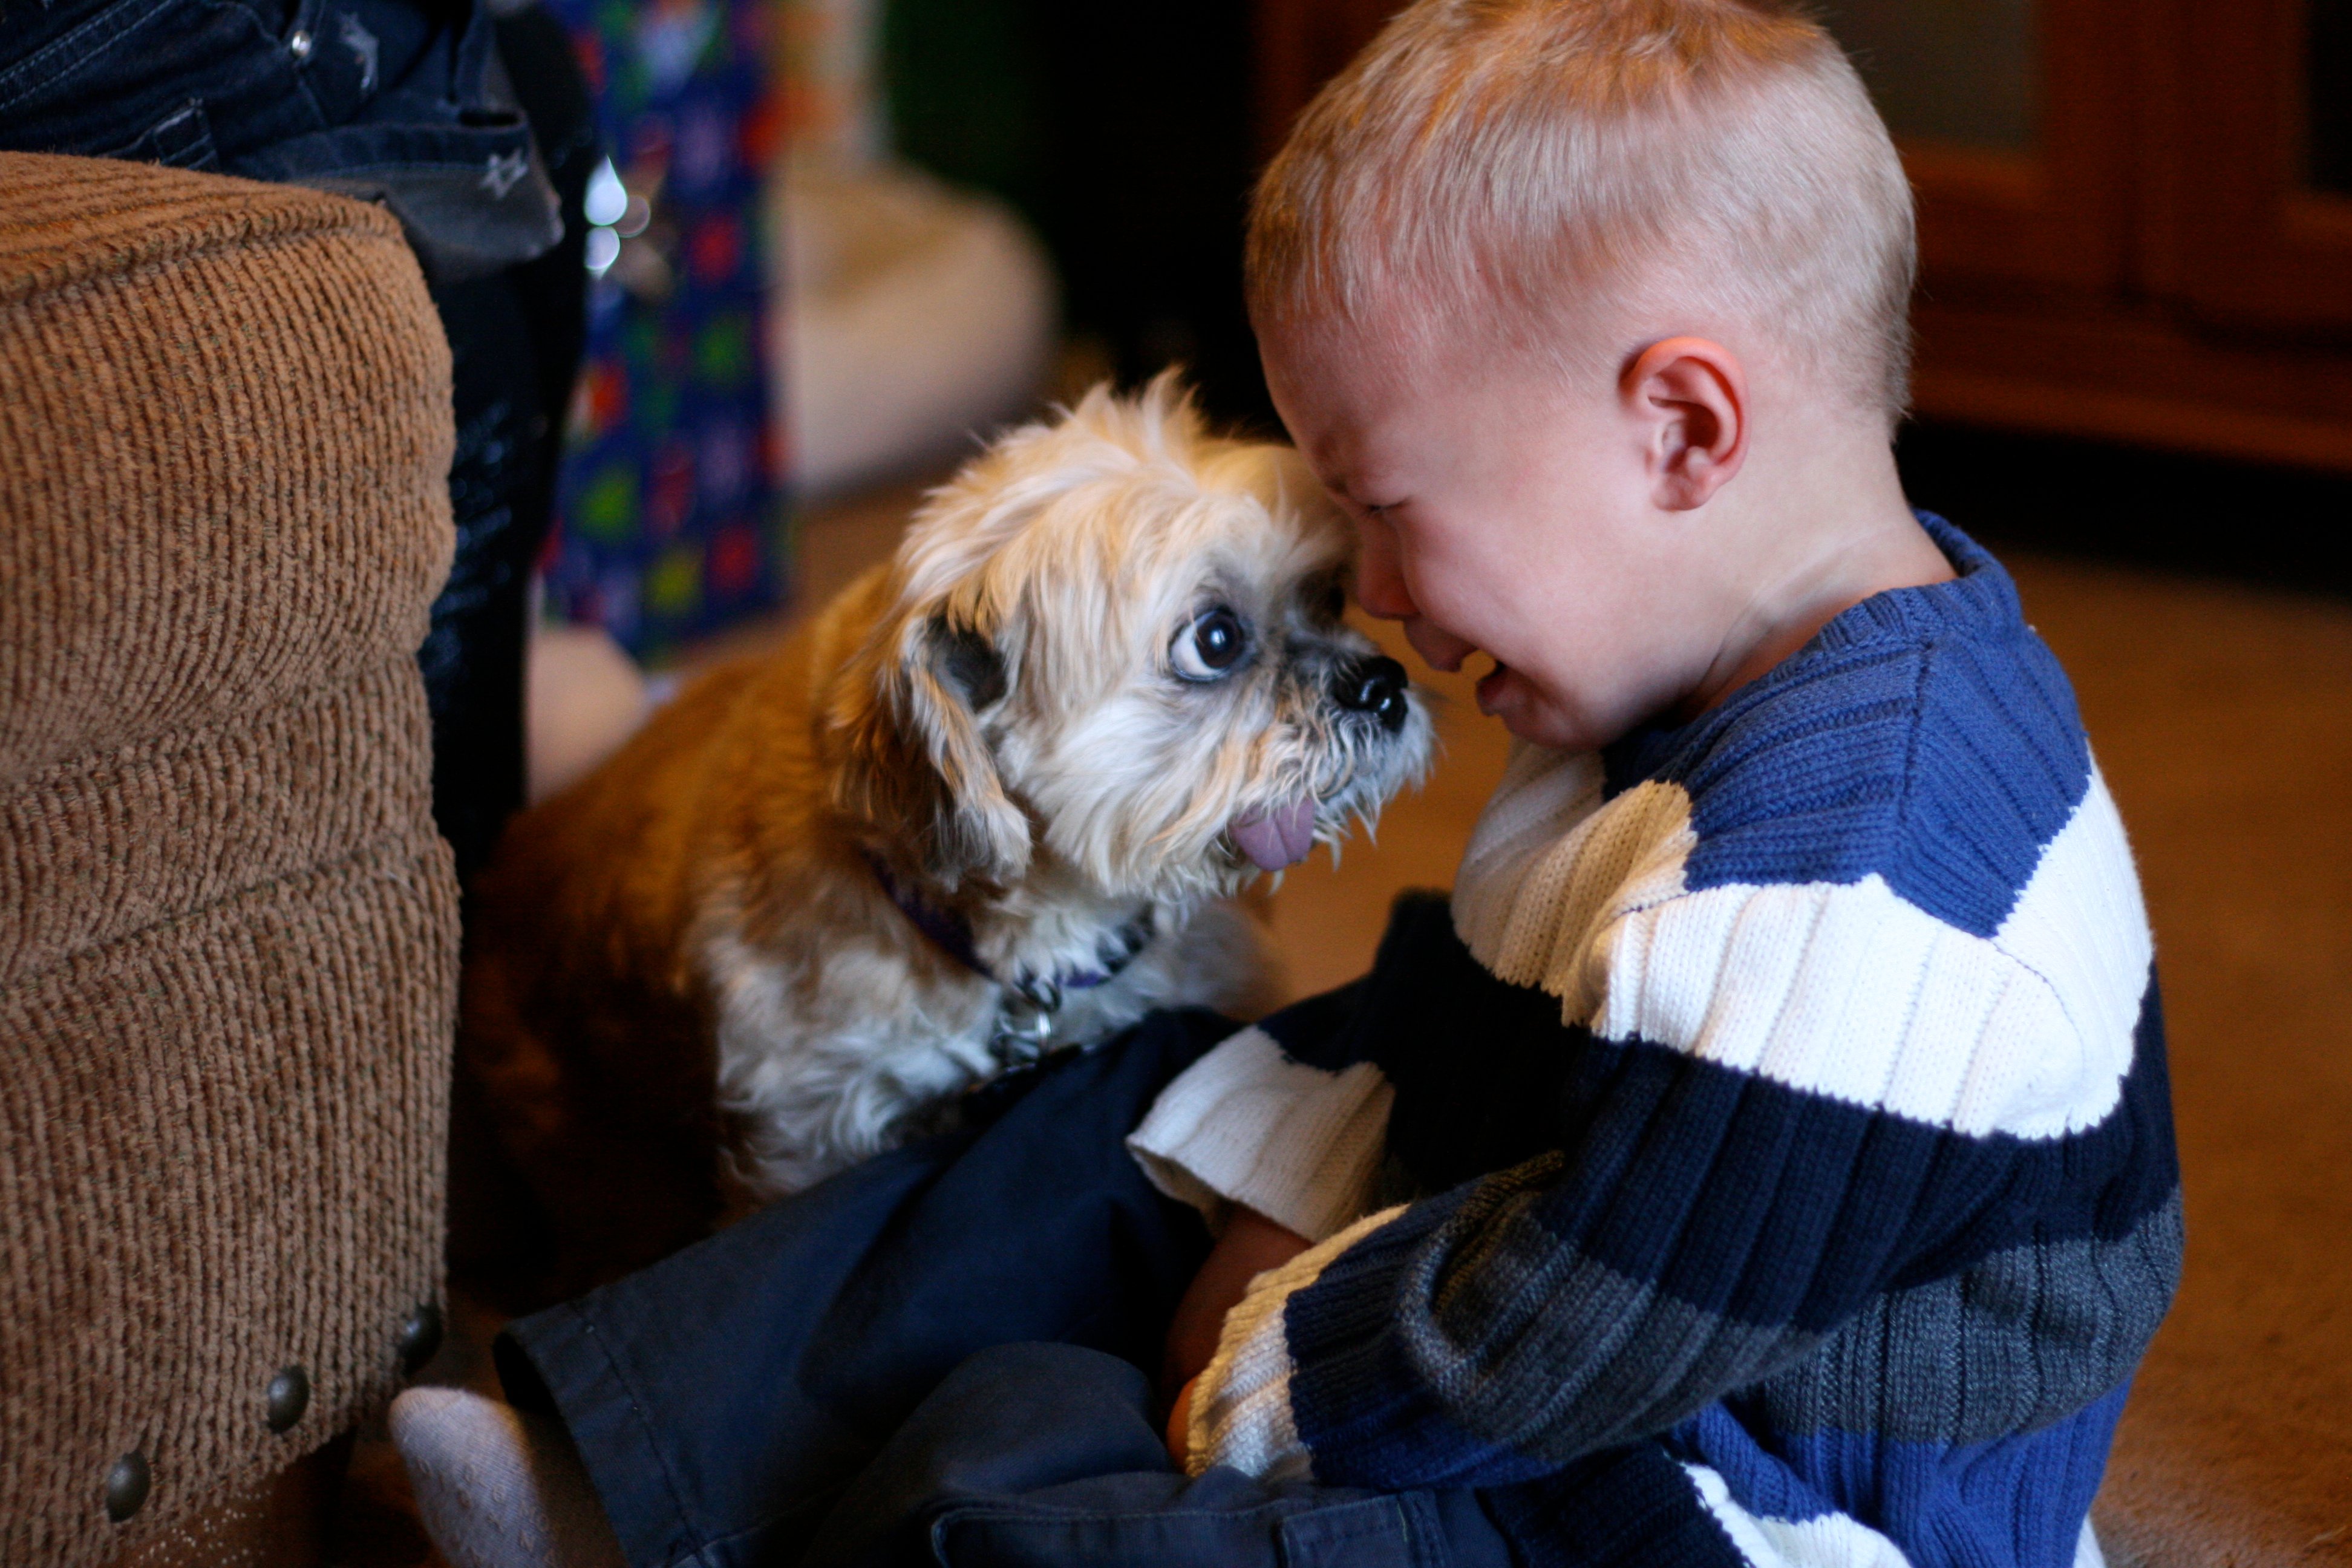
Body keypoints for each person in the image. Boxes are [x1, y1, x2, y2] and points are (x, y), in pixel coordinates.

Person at [394, 2, 2180, 1564]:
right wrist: (1272, 1164)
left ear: (1684, 432)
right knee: (1088, 1142)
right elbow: (1464, 1011)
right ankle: (619, 1463)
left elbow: (1554, 1345)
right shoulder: (1675, 691)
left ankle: (851, 1502)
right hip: (1553, 1265)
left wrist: (1256, 1365)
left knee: (1069, 1489)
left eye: (1390, 519)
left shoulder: (1859, 896)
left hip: (1723, 1495)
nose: (1386, 609)